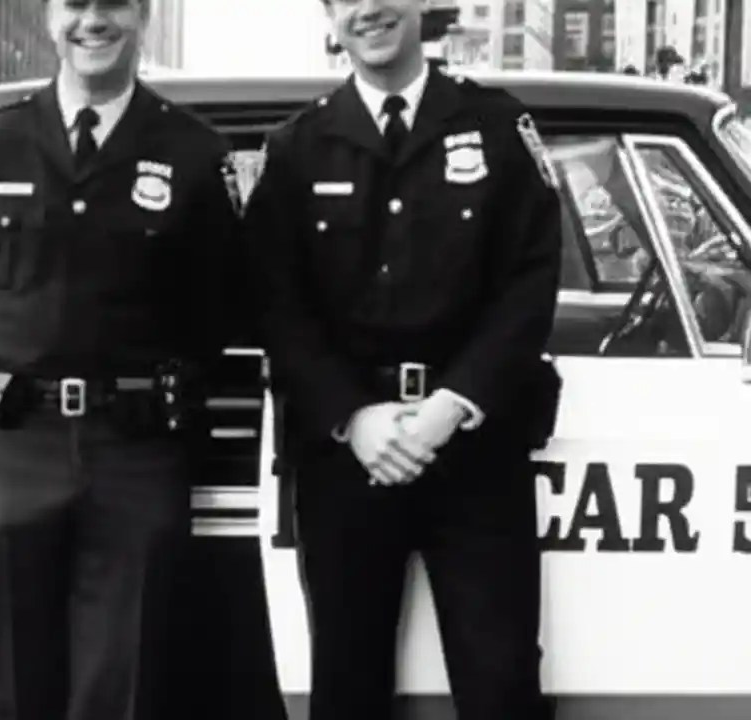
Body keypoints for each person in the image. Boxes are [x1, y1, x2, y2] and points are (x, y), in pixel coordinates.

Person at [0, 1, 243, 718]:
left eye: (113, 4)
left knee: (122, 686)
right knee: (14, 683)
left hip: (137, 446)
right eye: (75, 5)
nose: (93, 21)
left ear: (143, 15)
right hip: (12, 442)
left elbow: (219, 310)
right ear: (51, 16)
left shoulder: (193, 151)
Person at [243, 1, 563, 719]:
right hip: (347, 459)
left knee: (502, 680)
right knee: (347, 684)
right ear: (330, 16)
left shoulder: (495, 127)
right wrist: (351, 417)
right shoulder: (299, 146)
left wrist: (451, 407)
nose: (369, 9)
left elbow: (531, 282)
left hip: (476, 447)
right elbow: (275, 304)